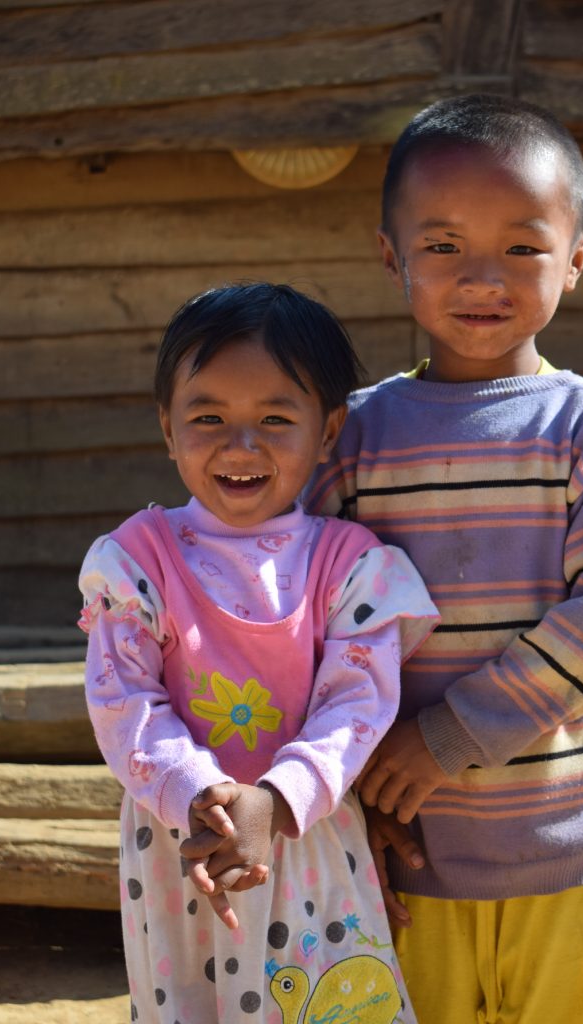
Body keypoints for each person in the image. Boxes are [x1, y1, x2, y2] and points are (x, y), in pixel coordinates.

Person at [305, 94, 583, 1024]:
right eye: (441, 247)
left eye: (521, 246)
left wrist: (447, 736)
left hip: (567, 844)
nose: (481, 277)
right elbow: (319, 622)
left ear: (575, 259)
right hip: (408, 851)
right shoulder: (355, 435)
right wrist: (355, 795)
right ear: (390, 258)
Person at [78, 282, 439, 1024]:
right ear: (167, 429)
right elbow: (123, 700)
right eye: (207, 417)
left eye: (276, 418)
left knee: (323, 1004)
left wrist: (271, 804)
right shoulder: (137, 560)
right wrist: (203, 797)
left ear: (329, 429)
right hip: (182, 841)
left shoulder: (350, 565)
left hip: (306, 834)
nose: (240, 446)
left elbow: (356, 702)